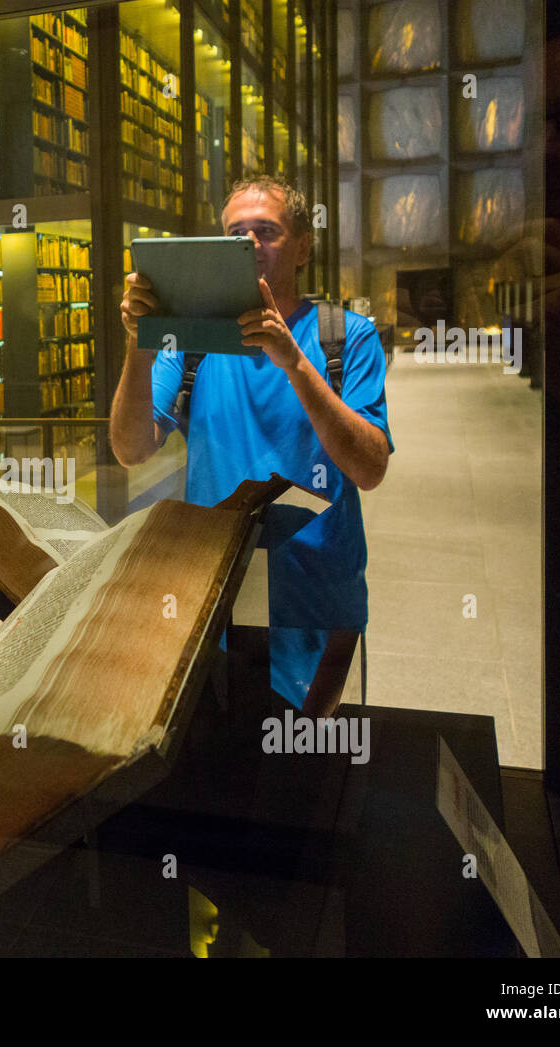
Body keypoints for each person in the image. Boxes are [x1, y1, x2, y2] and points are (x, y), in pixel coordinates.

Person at [111, 175, 393, 716]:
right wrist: (140, 343)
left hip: (316, 598)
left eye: (267, 232)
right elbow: (130, 449)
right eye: (236, 234)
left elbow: (370, 467)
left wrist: (294, 363)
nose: (251, 246)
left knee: (307, 766)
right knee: (224, 764)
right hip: (217, 588)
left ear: (304, 247)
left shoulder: (346, 336)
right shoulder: (192, 341)